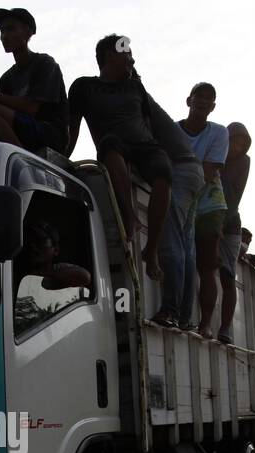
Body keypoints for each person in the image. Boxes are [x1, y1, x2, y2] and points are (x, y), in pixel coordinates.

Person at [67, 35, 172, 280]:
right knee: (110, 143)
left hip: (145, 146)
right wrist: (62, 160)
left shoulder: (136, 87)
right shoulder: (84, 86)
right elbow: (71, 131)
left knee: (163, 169)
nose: (132, 60)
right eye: (127, 54)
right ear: (109, 55)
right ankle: (129, 216)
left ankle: (151, 249)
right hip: (113, 145)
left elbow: (147, 124)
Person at [0, 8, 69, 153]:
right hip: (23, 129)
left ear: (28, 33)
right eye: (2, 31)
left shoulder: (45, 63)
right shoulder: (6, 78)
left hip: (50, 134)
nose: (4, 36)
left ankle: (22, 158)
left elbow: (32, 108)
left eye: (10, 29)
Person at [178, 83, 229, 341]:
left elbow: (209, 171)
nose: (204, 102)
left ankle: (206, 323)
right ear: (189, 100)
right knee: (179, 257)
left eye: (210, 99)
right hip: (180, 202)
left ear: (213, 106)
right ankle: (179, 313)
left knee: (206, 266)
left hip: (209, 205)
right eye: (200, 97)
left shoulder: (219, 133)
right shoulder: (173, 130)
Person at [148, 99, 204, 329]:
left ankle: (170, 310)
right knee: (185, 248)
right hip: (192, 172)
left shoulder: (137, 103)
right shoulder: (154, 109)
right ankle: (184, 316)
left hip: (180, 170)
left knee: (170, 242)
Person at [12, 219, 92, 336]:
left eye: (39, 241)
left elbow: (85, 277)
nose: (32, 246)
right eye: (29, 241)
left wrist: (44, 278)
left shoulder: (60, 269)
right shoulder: (11, 270)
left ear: (55, 250)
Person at [217, 122, 251, 343]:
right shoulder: (214, 153)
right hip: (205, 219)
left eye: (241, 145)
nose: (236, 148)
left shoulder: (243, 163)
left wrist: (220, 224)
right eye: (233, 142)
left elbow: (234, 199)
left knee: (227, 276)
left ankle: (226, 328)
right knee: (205, 270)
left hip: (229, 224)